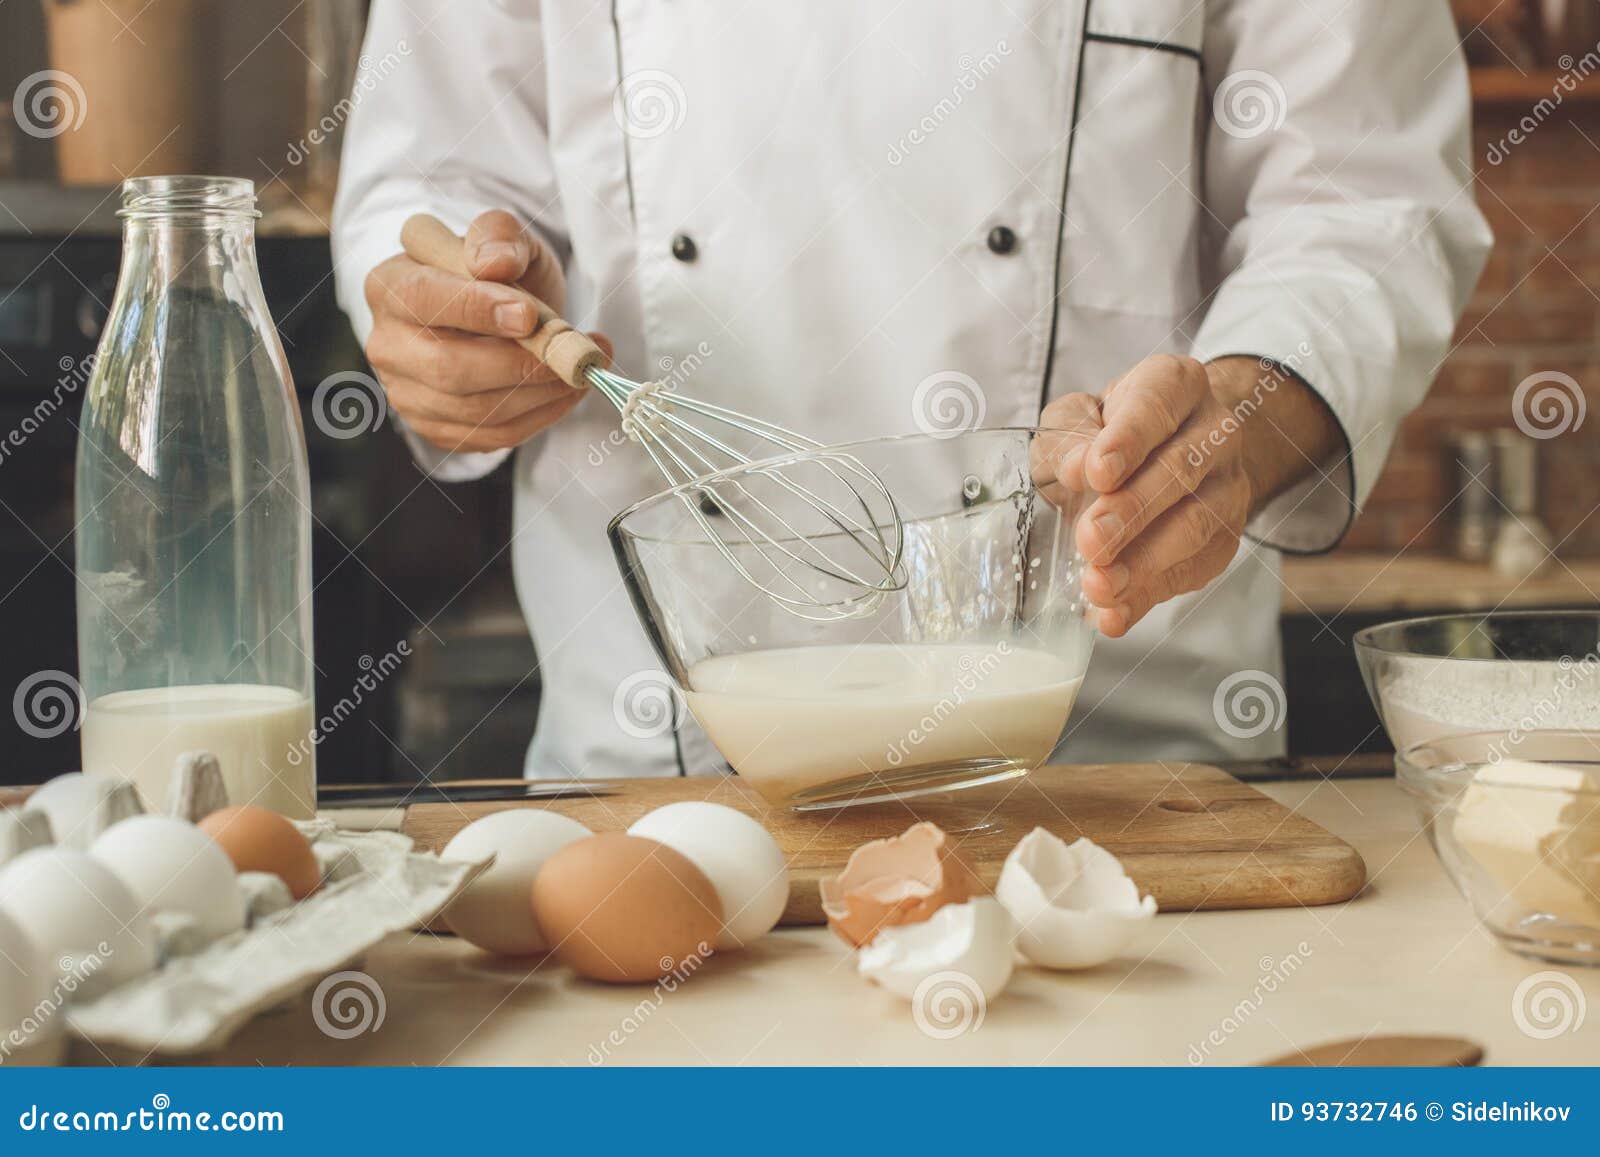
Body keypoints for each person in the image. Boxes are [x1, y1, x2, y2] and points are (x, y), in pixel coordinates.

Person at [332, 1, 1490, 779]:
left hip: (1124, 767)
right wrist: (449, 314)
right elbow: (431, 175)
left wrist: (1230, 425)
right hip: (661, 774)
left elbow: (1362, 205)